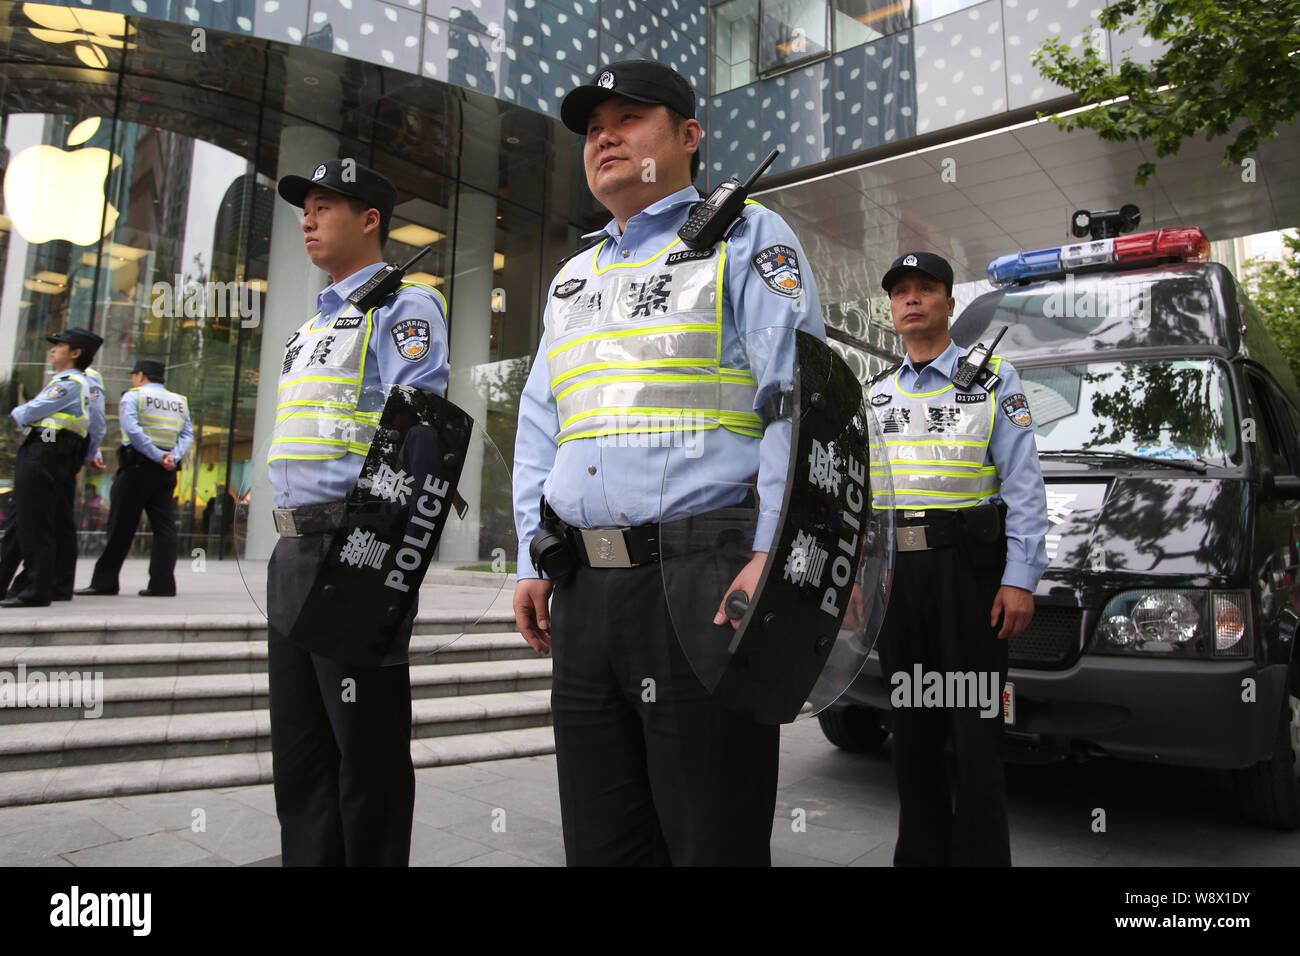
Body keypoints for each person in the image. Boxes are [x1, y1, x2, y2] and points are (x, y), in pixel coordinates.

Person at [511, 60, 825, 865]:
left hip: (701, 576)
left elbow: (797, 402)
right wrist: (529, 557)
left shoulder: (748, 237)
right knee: (601, 839)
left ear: (689, 137)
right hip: (583, 588)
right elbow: (542, 427)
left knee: (708, 835)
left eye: (630, 118)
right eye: (592, 128)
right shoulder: (574, 277)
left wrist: (774, 557)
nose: (605, 137)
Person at [265, 158, 449, 866]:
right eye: (303, 208)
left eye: (323, 207)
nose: (307, 220)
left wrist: (390, 564)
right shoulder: (309, 328)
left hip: (356, 546)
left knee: (362, 754)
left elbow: (417, 437)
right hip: (294, 551)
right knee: (303, 755)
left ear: (370, 219)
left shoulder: (406, 306)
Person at [866, 251, 1049, 866]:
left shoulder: (996, 381)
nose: (912, 299)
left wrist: (1019, 579)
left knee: (974, 730)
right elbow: (863, 494)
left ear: (949, 303)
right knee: (911, 732)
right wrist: (863, 578)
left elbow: (1023, 485)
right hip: (898, 580)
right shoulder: (875, 395)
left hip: (967, 577)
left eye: (926, 289)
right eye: (901, 292)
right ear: (891, 310)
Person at [0, 327, 103, 607]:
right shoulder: (77, 382)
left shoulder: (69, 382)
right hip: (54, 452)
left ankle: (35, 588)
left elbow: (28, 412)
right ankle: (38, 585)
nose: (52, 349)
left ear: (76, 353)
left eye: (59, 345)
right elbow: (96, 425)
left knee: (35, 522)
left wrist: (20, 412)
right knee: (35, 520)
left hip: (44, 450)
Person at [77, 359, 193, 597]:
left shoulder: (133, 396)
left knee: (120, 526)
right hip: (167, 471)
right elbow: (187, 434)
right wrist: (172, 457)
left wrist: (156, 455)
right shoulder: (180, 402)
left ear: (140, 375)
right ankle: (163, 585)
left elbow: (132, 429)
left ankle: (105, 582)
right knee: (164, 528)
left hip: (138, 467)